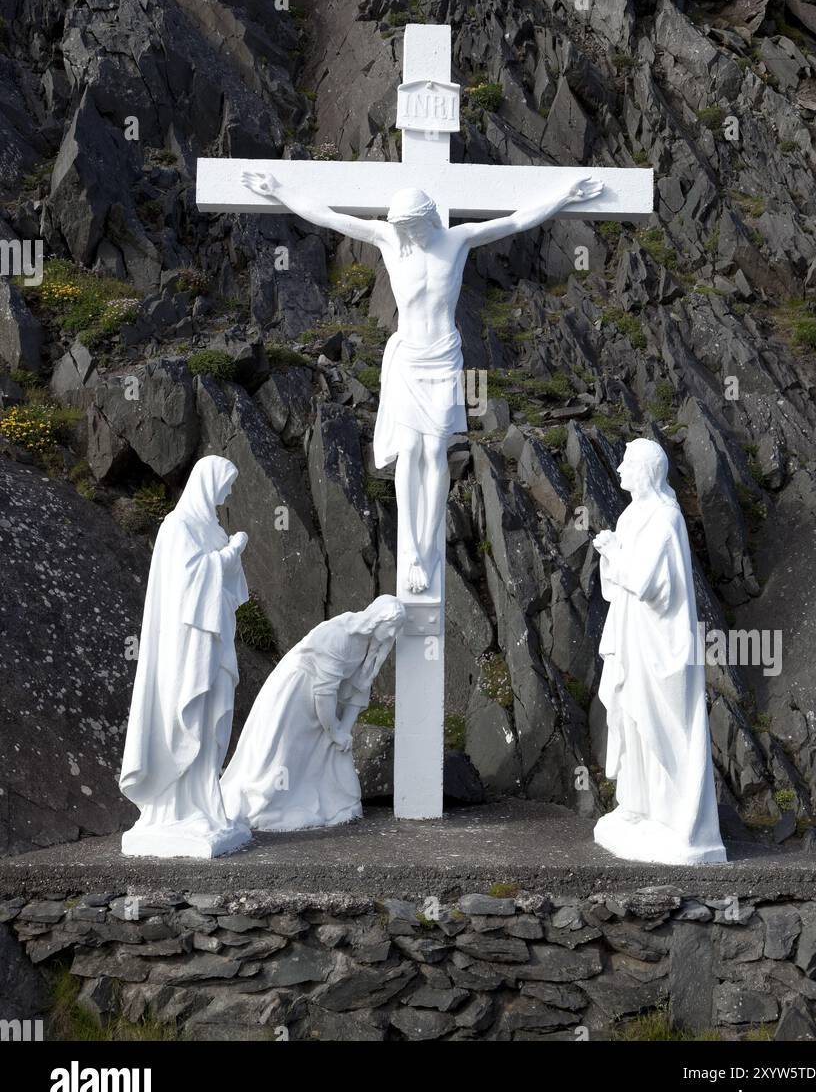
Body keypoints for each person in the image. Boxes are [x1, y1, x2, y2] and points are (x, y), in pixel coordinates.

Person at [241, 170, 600, 593]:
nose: (405, 234)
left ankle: (428, 545)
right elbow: (328, 217)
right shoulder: (389, 240)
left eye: (411, 226)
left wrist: (564, 195)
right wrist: (280, 190)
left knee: (435, 451)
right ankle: (410, 548)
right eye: (401, 227)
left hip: (444, 357)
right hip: (409, 358)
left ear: (428, 219)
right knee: (409, 450)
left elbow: (518, 220)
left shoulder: (459, 240)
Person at [592, 438, 727, 865]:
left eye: (627, 463)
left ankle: (675, 818)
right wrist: (609, 556)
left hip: (660, 644)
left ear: (647, 471)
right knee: (631, 717)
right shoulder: (632, 515)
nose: (618, 470)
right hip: (633, 635)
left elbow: (649, 584)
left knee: (662, 724)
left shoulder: (666, 519)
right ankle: (637, 806)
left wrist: (613, 550)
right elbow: (619, 584)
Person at [119, 456, 251, 858]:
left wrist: (229, 553)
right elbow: (188, 582)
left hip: (212, 641)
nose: (228, 493)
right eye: (225, 484)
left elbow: (228, 592)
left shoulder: (210, 527)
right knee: (185, 717)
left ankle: (202, 806)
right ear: (208, 483)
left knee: (213, 720)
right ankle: (172, 807)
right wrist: (231, 553)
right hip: (185, 646)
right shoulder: (178, 527)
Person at [221, 595, 406, 831]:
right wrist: (335, 731)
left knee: (319, 756)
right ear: (375, 620)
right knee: (283, 752)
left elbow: (360, 690)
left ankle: (323, 801)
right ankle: (268, 804)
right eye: (389, 628)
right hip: (297, 693)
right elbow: (324, 693)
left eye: (395, 631)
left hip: (326, 706)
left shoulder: (373, 647)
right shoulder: (340, 636)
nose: (391, 635)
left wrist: (343, 732)